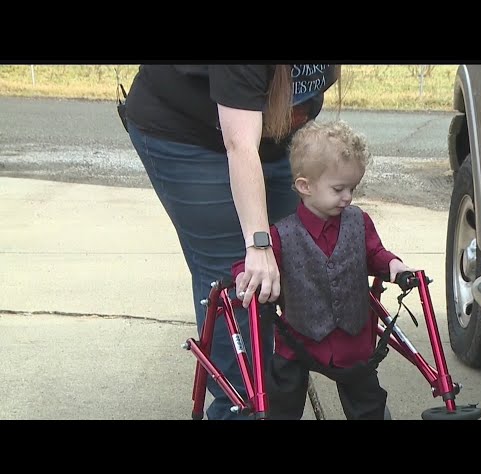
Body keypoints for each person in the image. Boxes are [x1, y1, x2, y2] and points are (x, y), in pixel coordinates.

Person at [123, 65, 341, 420]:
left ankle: (274, 399)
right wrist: (258, 244)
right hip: (190, 137)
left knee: (292, 266)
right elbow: (240, 144)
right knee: (240, 283)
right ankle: (238, 408)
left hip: (276, 136)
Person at [232, 120, 418, 420]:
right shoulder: (282, 234)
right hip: (298, 339)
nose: (348, 197)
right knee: (282, 400)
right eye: (338, 189)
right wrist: (244, 274)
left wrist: (395, 267)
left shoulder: (359, 222)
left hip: (351, 339)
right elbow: (256, 264)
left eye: (352, 188)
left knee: (367, 402)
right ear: (305, 187)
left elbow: (375, 253)